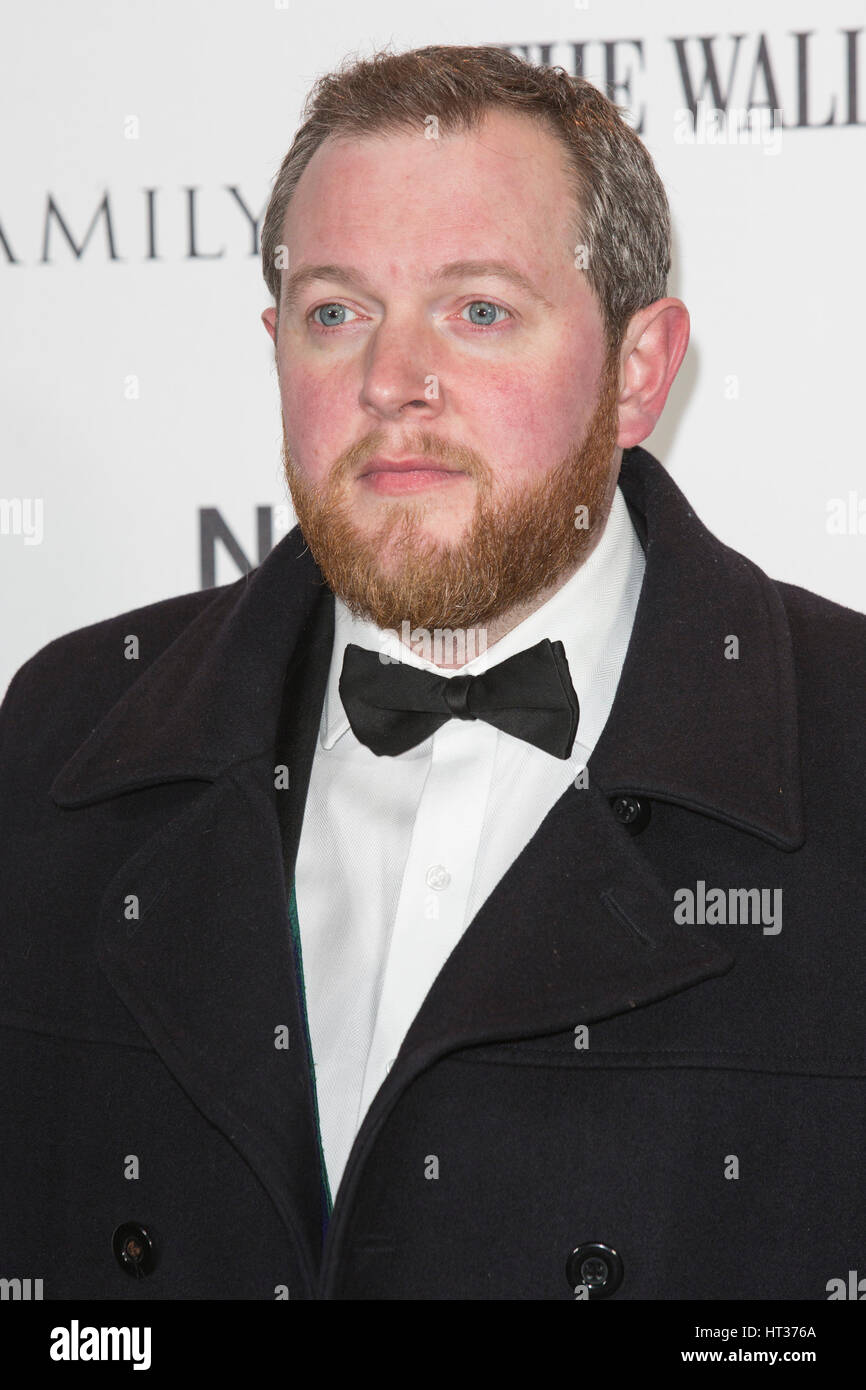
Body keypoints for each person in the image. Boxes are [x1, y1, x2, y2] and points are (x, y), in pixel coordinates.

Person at [1, 44, 864, 1302]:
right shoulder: (65, 735)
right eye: (336, 311)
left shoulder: (843, 748)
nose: (390, 385)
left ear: (636, 369)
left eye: (477, 311)